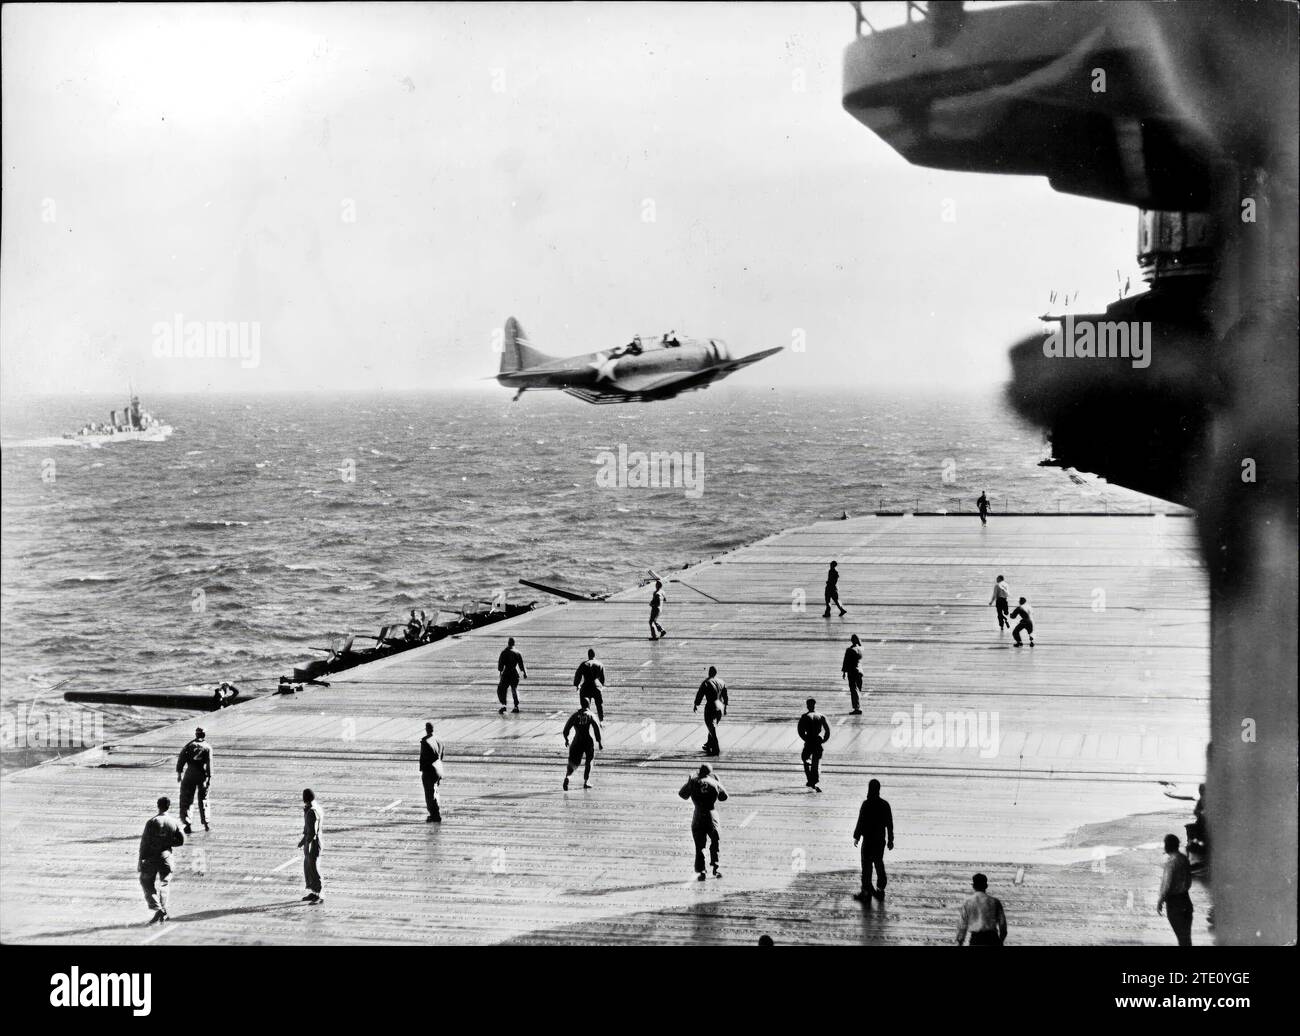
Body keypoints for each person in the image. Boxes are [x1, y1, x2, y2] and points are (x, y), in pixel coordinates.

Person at [138, 796, 184, 924]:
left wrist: (140, 861)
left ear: (158, 806)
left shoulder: (152, 822)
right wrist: (168, 843)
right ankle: (162, 911)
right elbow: (181, 841)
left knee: (146, 882)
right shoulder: (173, 822)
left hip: (151, 857)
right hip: (166, 857)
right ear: (169, 806)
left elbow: (144, 843)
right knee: (164, 883)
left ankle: (158, 909)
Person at [679, 764, 728, 880]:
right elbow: (724, 797)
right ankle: (716, 868)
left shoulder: (694, 781)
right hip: (712, 814)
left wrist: (689, 781)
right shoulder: (714, 781)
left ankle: (701, 871)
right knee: (715, 842)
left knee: (699, 845)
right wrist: (718, 782)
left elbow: (682, 795)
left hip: (698, 815)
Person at [852, 779, 894, 900]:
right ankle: (880, 889)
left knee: (866, 866)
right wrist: (890, 840)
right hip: (880, 840)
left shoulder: (866, 804)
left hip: (868, 840)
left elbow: (861, 822)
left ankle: (866, 891)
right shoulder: (885, 805)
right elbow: (889, 824)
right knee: (879, 863)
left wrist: (857, 836)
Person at [1157, 833, 1194, 946]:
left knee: (1182, 939)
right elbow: (1189, 880)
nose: (1164, 847)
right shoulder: (1184, 859)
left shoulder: (1170, 863)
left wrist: (1160, 901)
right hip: (1186, 901)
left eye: (1165, 844)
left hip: (1175, 904)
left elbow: (1167, 885)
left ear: (1168, 846)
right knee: (1186, 939)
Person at [175, 727, 212, 834]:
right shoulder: (208, 747)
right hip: (202, 774)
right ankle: (206, 823)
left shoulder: (189, 745)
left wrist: (179, 773)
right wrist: (209, 777)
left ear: (196, 735)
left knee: (186, 799)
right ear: (204, 735)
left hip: (190, 773)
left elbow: (181, 759)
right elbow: (210, 763)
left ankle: (187, 823)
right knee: (204, 798)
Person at [562, 697, 603, 790]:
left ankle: (568, 777)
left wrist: (566, 739)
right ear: (589, 704)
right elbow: (596, 729)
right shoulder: (591, 715)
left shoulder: (575, 715)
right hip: (587, 741)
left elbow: (566, 729)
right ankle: (586, 781)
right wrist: (599, 742)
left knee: (573, 762)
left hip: (577, 741)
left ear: (581, 704)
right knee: (589, 761)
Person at [956, 873, 1008, 945]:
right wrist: (1000, 941)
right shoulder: (995, 902)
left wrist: (960, 941)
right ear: (986, 886)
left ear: (973, 886)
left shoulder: (967, 902)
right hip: (992, 938)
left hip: (976, 939)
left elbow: (962, 925)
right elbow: (1003, 925)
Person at [693, 666, 729, 756]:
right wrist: (725, 707)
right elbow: (725, 696)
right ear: (716, 673)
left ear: (709, 673)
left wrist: (696, 704)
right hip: (719, 706)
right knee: (713, 726)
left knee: (711, 726)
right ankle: (709, 744)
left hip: (711, 705)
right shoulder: (722, 682)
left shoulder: (706, 682)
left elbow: (700, 694)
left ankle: (716, 747)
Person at [797, 698, 831, 791]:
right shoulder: (821, 716)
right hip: (817, 741)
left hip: (809, 741)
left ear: (807, 706)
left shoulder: (804, 716)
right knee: (816, 761)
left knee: (805, 759)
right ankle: (814, 780)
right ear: (814, 705)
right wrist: (824, 740)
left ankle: (809, 779)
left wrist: (805, 738)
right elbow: (827, 730)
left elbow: (800, 731)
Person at [298, 788, 324, 904]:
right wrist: (303, 841)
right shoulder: (310, 809)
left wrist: (307, 843)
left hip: (313, 844)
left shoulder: (312, 811)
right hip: (310, 843)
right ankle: (314, 892)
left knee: (313, 869)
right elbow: (308, 828)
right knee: (308, 868)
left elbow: (313, 832)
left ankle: (319, 894)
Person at [573, 648, 607, 721]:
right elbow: (602, 678)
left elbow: (578, 674)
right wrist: (601, 686)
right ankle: (601, 720)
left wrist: (577, 684)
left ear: (588, 655)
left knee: (585, 705)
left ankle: (587, 719)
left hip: (586, 687)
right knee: (599, 705)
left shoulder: (584, 664)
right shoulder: (600, 664)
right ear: (594, 655)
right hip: (596, 686)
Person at [419, 722, 444, 822]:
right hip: (438, 768)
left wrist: (423, 769)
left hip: (429, 770)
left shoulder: (425, 741)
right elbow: (442, 754)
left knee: (429, 794)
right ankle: (436, 813)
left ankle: (434, 815)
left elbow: (424, 757)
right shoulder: (439, 740)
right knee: (435, 791)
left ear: (426, 729)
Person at [496, 636, 527, 714]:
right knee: (514, 689)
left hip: (506, 673)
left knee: (502, 689)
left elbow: (500, 665)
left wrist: (500, 672)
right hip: (514, 673)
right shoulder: (517, 652)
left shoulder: (504, 652)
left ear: (508, 643)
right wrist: (524, 673)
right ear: (514, 643)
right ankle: (516, 706)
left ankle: (503, 706)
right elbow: (521, 665)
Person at [841, 634, 864, 714]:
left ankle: (856, 708)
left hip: (852, 671)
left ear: (851, 640)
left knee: (853, 690)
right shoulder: (861, 648)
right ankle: (858, 706)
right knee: (858, 689)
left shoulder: (849, 650)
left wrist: (844, 672)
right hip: (860, 671)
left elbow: (845, 662)